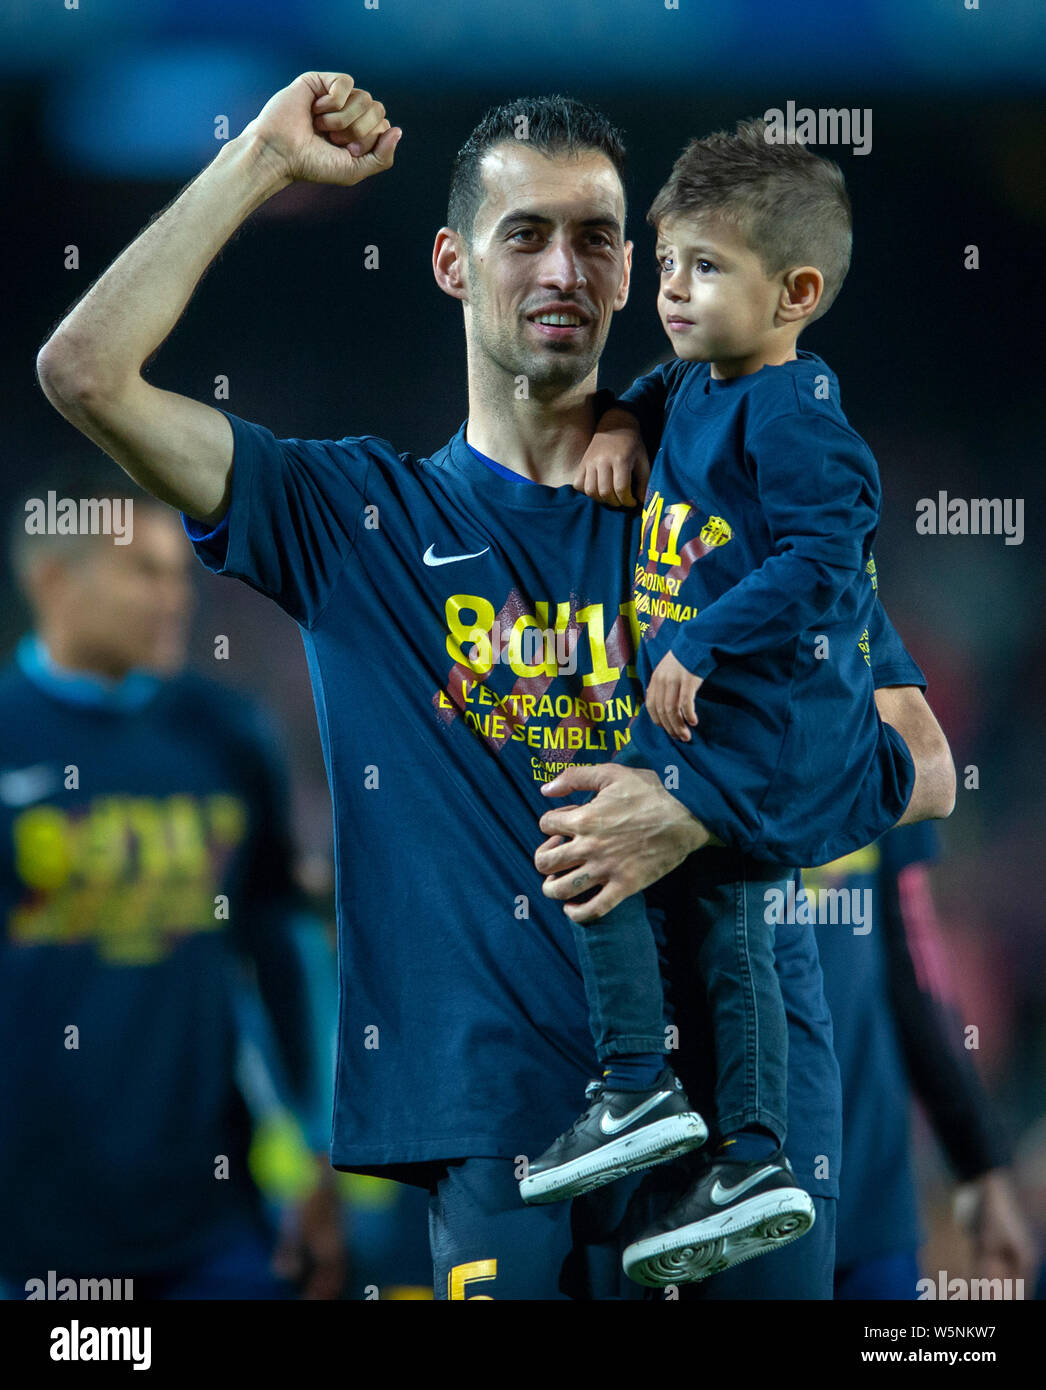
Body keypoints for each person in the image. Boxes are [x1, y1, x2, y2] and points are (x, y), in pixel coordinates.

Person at [35, 73, 955, 1299]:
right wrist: (258, 156)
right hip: (501, 1134)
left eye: (593, 238)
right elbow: (87, 370)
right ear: (450, 264)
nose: (562, 270)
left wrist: (695, 806)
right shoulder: (352, 518)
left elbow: (924, 766)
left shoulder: (742, 497)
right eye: (523, 234)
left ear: (633, 271)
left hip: (750, 1134)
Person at [522, 120, 924, 1287]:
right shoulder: (698, 381)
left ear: (794, 292)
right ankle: (738, 1146)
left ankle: (643, 1092)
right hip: (712, 713)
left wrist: (701, 633)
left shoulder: (799, 417)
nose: (672, 293)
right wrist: (613, 421)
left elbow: (823, 557)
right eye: (667, 266)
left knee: (628, 858)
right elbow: (652, 389)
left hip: (762, 716)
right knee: (713, 913)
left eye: (706, 268)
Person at [0, 480, 344, 1299]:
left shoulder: (225, 733)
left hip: (216, 1218)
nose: (175, 598)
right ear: (53, 579)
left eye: (178, 574)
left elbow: (285, 953)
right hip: (28, 1230)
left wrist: (323, 1150)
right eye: (142, 574)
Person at [806, 820, 1036, 1298]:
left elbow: (910, 961)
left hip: (873, 1193)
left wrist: (983, 1164)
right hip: (735, 1203)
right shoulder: (685, 751)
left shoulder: (891, 747)